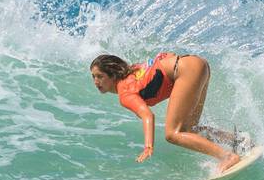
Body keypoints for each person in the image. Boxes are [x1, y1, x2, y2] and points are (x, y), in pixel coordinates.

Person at [90, 51, 246, 173]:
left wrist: (148, 146)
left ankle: (228, 156)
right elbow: (163, 58)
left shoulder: (125, 92)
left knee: (172, 134)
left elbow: (147, 115)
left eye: (100, 76)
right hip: (197, 64)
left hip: (185, 70)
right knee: (190, 130)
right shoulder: (134, 72)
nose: (96, 82)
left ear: (113, 74)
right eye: (93, 77)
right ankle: (238, 141)